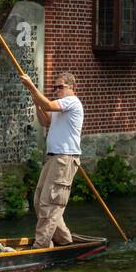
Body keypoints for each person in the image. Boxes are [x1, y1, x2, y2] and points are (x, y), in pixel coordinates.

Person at [18, 70, 84, 249]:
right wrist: (38, 105)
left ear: (71, 87)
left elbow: (48, 104)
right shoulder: (61, 104)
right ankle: (64, 240)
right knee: (39, 200)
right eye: (55, 87)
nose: (57, 90)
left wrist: (32, 87)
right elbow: (45, 121)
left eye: (60, 87)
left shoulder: (72, 102)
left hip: (64, 159)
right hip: (52, 158)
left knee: (50, 204)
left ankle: (41, 246)